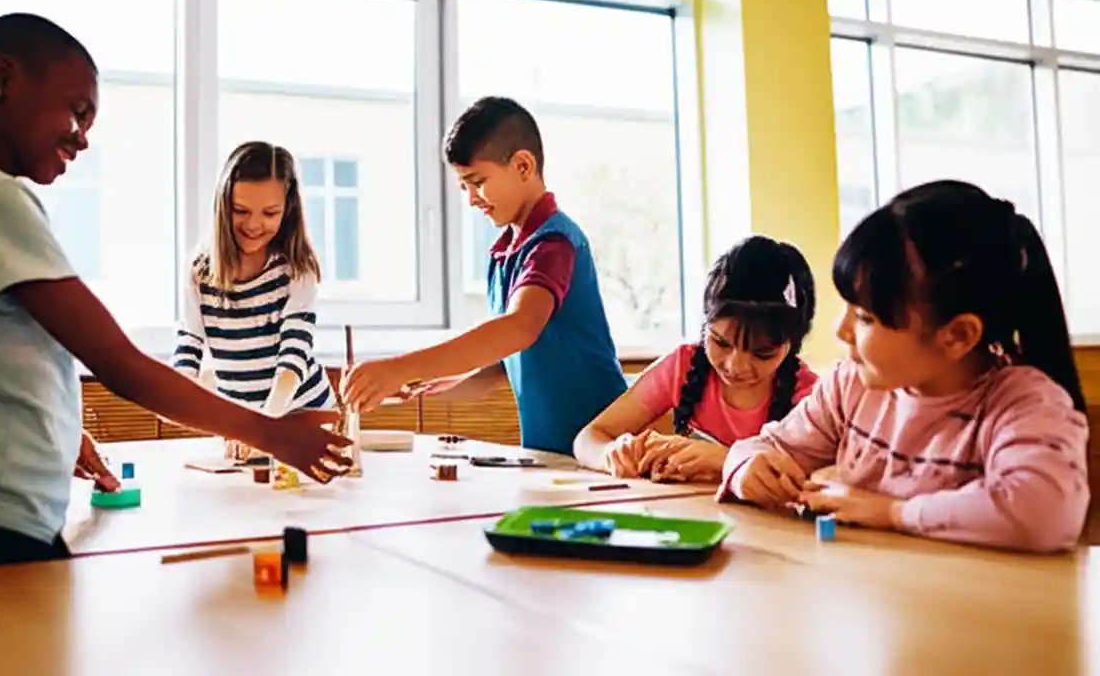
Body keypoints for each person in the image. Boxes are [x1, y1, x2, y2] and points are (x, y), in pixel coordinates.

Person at [0, 13, 349, 676]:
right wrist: (274, 434)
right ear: (3, 79)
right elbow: (122, 364)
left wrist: (61, 432)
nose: (81, 139)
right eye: (75, 113)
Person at [721, 180, 1089, 553]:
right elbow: (765, 447)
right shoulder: (852, 385)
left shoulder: (1023, 403)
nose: (841, 330)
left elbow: (1042, 513)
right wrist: (746, 469)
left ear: (957, 335)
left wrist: (892, 512)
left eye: (865, 317)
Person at [341, 96, 626, 455]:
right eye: (464, 188)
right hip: (552, 452)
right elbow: (515, 355)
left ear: (523, 165)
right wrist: (436, 378)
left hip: (603, 447)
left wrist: (398, 368)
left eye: (478, 182)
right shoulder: (504, 252)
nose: (472, 199)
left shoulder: (553, 243)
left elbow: (519, 327)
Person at [575, 235, 818, 482]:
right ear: (705, 325)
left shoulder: (812, 398)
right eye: (721, 342)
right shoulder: (683, 366)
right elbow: (589, 437)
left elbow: (820, 481)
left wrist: (725, 460)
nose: (736, 365)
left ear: (792, 346)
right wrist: (611, 454)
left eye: (762, 353)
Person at [172, 141, 334, 416]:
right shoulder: (200, 270)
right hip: (247, 421)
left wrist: (264, 424)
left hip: (304, 413)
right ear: (223, 206)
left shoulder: (296, 269)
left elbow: (294, 356)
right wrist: (174, 396)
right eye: (241, 211)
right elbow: (190, 343)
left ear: (288, 209)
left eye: (270, 213)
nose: (254, 225)